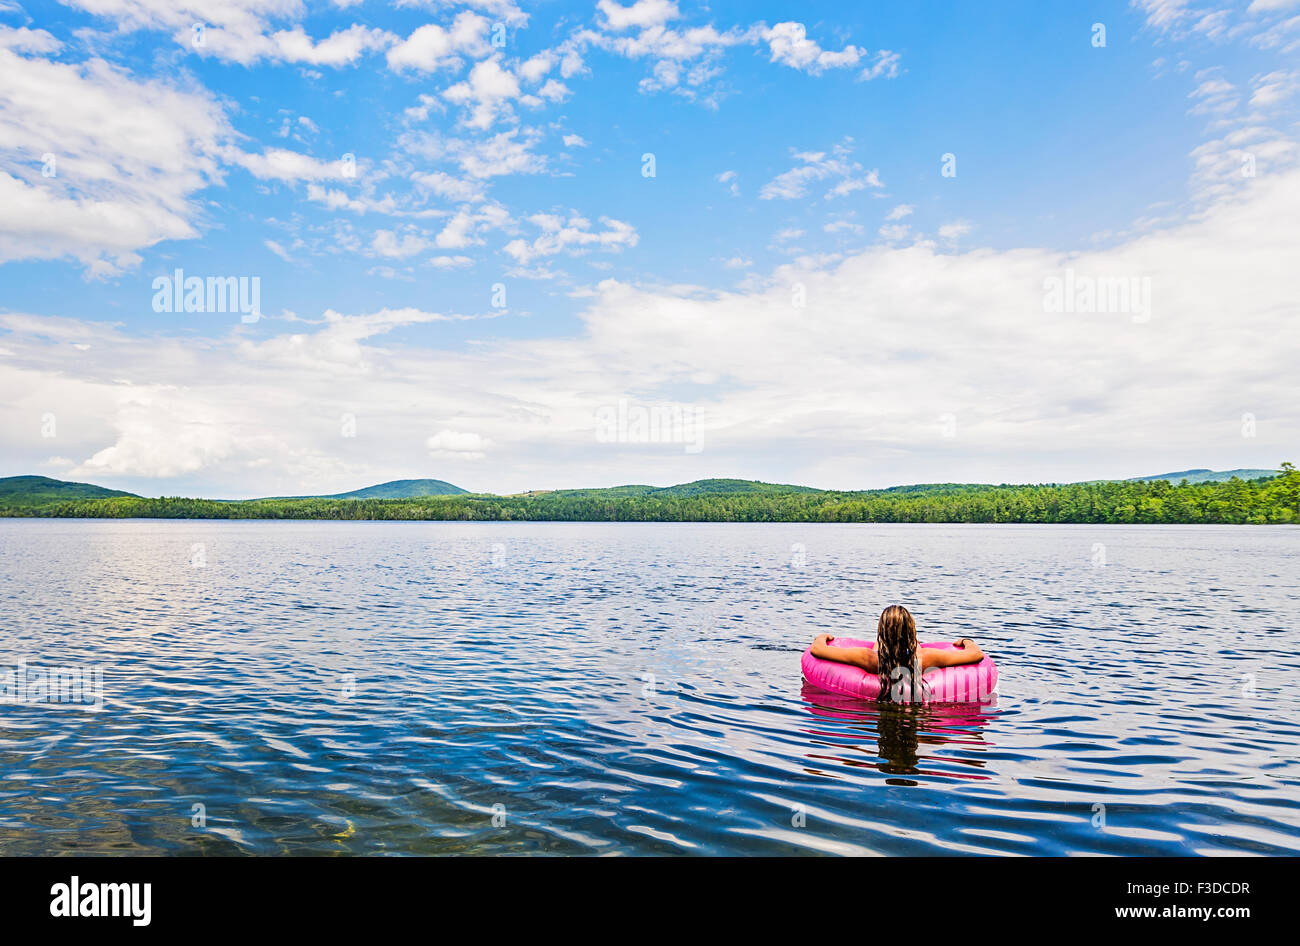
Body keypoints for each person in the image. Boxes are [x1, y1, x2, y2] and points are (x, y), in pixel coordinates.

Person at [809, 604, 984, 703]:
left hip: (882, 662)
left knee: (882, 647)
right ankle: (903, 642)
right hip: (913, 666)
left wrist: (822, 636)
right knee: (914, 647)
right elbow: (976, 654)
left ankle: (893, 641)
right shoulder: (926, 657)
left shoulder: (868, 658)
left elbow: (817, 650)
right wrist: (966, 641)